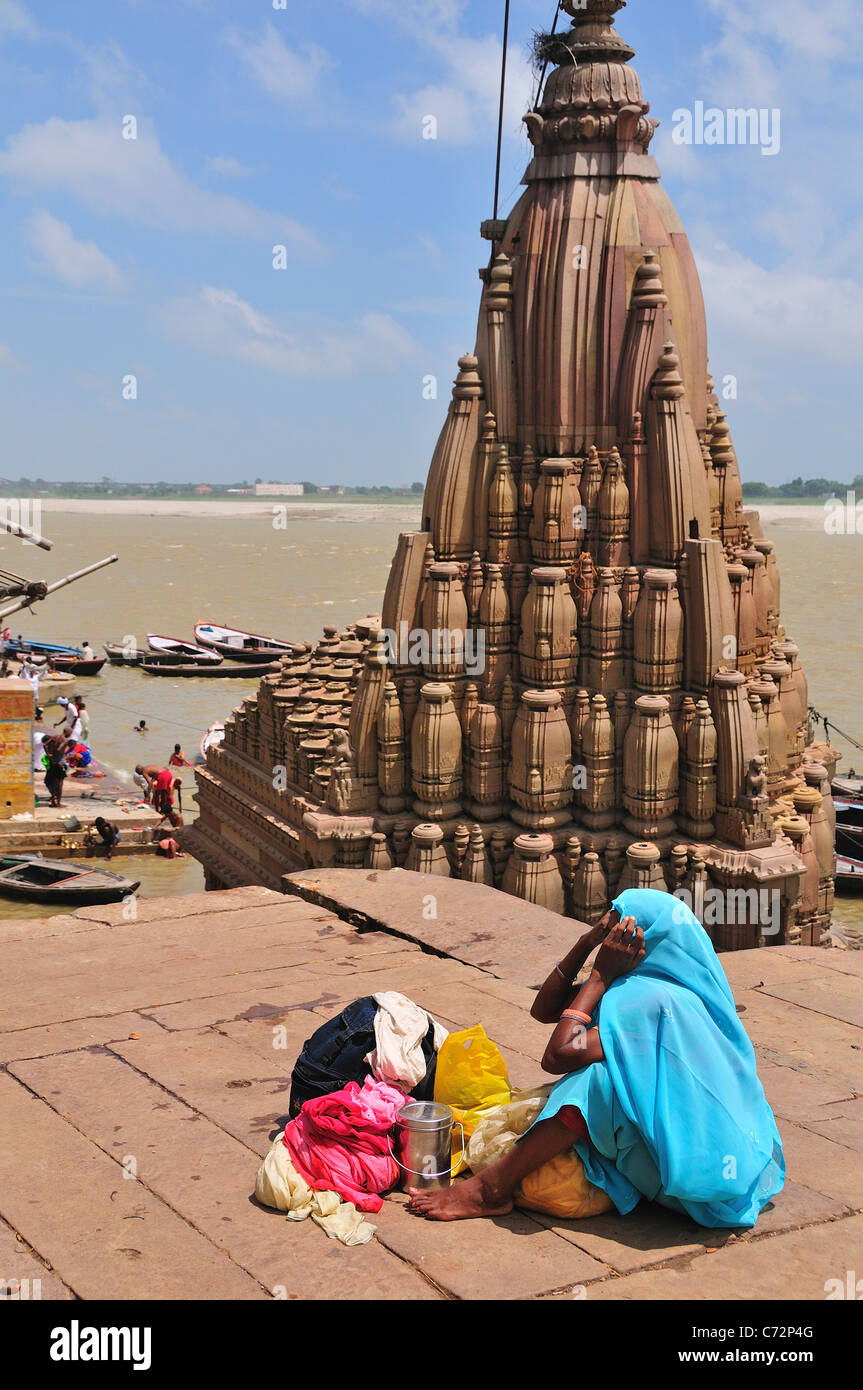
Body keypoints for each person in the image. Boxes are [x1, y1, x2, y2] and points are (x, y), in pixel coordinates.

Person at [408, 889, 785, 1231]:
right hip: (712, 1165)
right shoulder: (669, 985)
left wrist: (601, 975)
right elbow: (545, 1009)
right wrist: (585, 944)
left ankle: (491, 1189)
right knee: (607, 1072)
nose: (608, 932)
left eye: (616, 926)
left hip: (696, 1188)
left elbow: (557, 1056)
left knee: (595, 1083)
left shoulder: (652, 1001)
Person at [42, 732, 73, 808]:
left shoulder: (57, 741)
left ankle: (56, 801)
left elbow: (59, 750)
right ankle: (55, 798)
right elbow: (55, 751)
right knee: (50, 782)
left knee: (57, 784)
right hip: (55, 764)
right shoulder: (51, 743)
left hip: (58, 765)